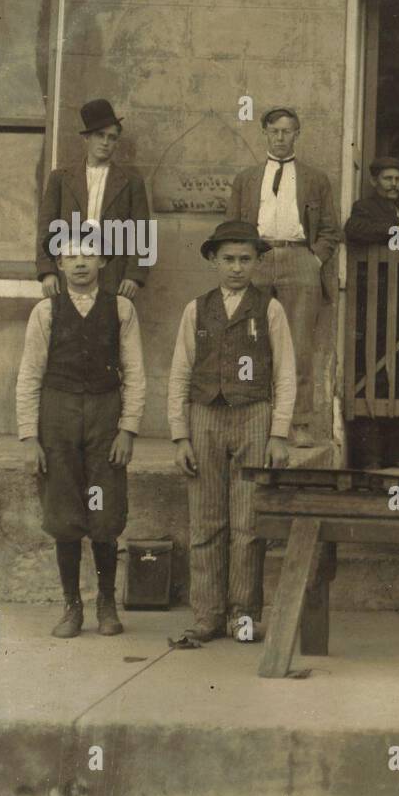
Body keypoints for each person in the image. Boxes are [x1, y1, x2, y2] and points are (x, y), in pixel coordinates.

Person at [168, 221, 296, 644]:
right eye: (228, 259)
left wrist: (279, 433)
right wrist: (179, 435)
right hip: (204, 416)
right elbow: (179, 374)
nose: (237, 268)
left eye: (245, 259)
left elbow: (286, 374)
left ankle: (243, 613)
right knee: (206, 521)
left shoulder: (269, 308)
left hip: (254, 415)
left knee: (247, 522)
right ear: (212, 261)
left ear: (257, 262)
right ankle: (207, 613)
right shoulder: (196, 309)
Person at [16, 234, 146, 638]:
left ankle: (106, 602)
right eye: (70, 255)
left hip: (105, 416)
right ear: (58, 263)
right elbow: (29, 375)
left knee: (104, 513)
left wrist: (127, 429)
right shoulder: (45, 311)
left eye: (88, 254)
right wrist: (28, 437)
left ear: (104, 260)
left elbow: (136, 374)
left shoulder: (121, 308)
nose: (80, 262)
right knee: (63, 511)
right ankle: (72, 606)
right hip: (57, 416)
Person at [226, 105, 344, 449]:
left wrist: (312, 260)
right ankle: (251, 420)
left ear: (297, 134)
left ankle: (300, 422)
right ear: (265, 133)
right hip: (257, 259)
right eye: (274, 131)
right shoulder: (246, 178)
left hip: (299, 258)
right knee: (249, 341)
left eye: (287, 131)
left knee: (298, 346)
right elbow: (232, 226)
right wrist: (244, 259)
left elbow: (330, 231)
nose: (280, 137)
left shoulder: (315, 179)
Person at [344, 156, 399, 467]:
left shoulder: (396, 210)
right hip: (373, 303)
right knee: (372, 375)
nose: (394, 184)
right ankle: (371, 457)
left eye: (398, 179)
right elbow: (356, 230)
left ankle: (398, 455)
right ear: (375, 181)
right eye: (388, 179)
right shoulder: (365, 207)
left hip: (398, 302)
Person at [35, 98, 151, 299]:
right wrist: (48, 271)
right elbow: (46, 227)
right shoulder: (60, 178)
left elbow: (143, 231)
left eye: (112, 138)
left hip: (114, 276)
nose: (106, 143)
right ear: (87, 138)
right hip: (69, 272)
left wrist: (134, 276)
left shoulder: (131, 181)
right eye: (100, 135)